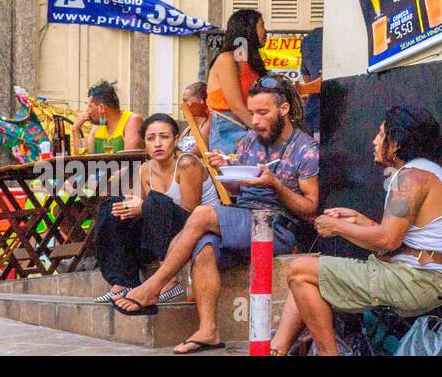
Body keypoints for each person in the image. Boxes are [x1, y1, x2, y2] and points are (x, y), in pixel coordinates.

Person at [113, 77, 319, 354]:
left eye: (263, 113)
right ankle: (208, 330)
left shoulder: (305, 149)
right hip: (244, 215)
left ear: (283, 110)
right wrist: (223, 170)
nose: (255, 121)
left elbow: (311, 208)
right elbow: (237, 189)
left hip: (278, 225)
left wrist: (275, 185)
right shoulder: (249, 142)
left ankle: (153, 287)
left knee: (200, 215)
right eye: (252, 112)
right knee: (204, 244)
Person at [272, 106, 442, 356]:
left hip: (415, 280)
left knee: (300, 271)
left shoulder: (411, 177)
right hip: (418, 275)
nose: (375, 140)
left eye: (381, 134)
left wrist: (337, 227)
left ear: (395, 144)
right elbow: (398, 240)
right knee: (309, 273)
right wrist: (358, 220)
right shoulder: (427, 171)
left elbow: (387, 239)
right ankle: (277, 349)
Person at [93, 113, 220, 304]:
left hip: (198, 228)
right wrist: (130, 208)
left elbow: (192, 213)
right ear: (144, 143)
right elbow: (149, 215)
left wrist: (143, 207)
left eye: (164, 137)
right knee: (112, 207)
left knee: (153, 202)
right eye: (151, 138)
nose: (157, 143)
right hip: (167, 231)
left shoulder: (187, 164)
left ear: (176, 139)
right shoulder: (145, 169)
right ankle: (123, 282)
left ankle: (169, 281)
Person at [205, 8, 268, 153]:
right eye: (262, 26)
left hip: (247, 125)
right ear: (249, 29)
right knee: (270, 148)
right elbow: (236, 106)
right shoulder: (226, 59)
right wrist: (263, 130)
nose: (266, 31)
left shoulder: (250, 63)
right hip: (227, 130)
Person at [69, 81, 144, 153]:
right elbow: (83, 158)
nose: (87, 111)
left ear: (101, 108)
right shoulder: (98, 128)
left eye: (90, 106)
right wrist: (75, 129)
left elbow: (131, 160)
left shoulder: (133, 121)